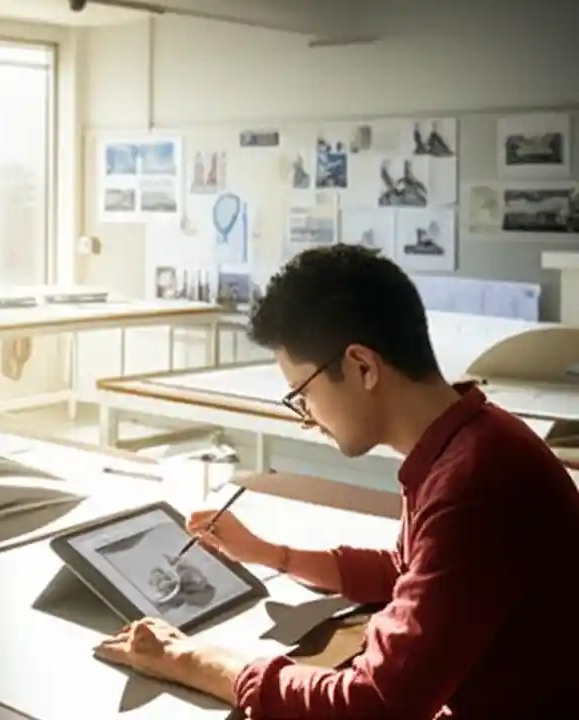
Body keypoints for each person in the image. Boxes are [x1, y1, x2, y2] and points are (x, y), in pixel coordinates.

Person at [93, 244, 579, 718]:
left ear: (363, 366)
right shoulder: (472, 438)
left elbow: (378, 704)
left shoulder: (475, 483)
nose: (306, 418)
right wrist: (271, 555)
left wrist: (191, 660)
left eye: (301, 394)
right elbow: (411, 572)